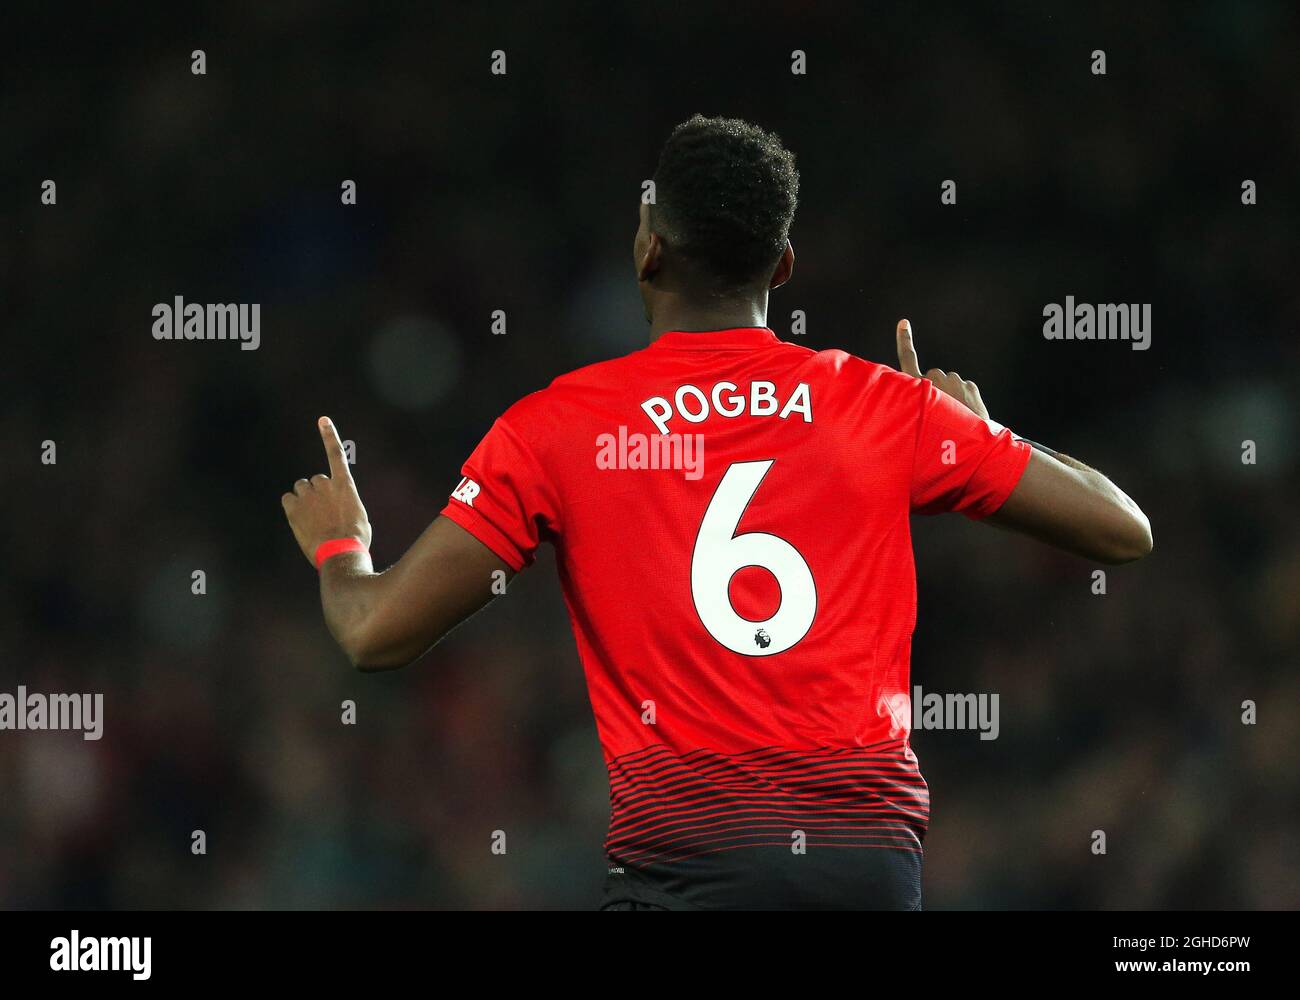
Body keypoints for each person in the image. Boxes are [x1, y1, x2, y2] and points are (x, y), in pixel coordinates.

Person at [281, 115, 1153, 910]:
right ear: (781, 268)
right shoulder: (882, 407)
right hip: (865, 869)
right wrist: (982, 431)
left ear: (647, 251)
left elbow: (375, 634)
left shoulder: (557, 429)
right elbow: (1123, 528)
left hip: (685, 871)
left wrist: (340, 547)